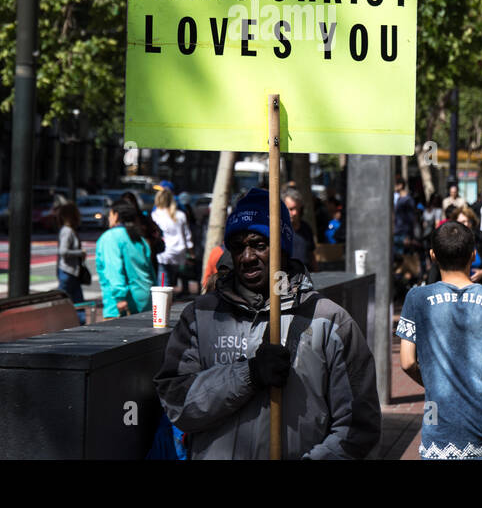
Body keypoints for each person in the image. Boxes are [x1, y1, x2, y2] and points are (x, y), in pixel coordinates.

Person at [154, 188, 381, 459]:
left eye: (259, 245)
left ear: (282, 248)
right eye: (237, 247)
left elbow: (358, 427)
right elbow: (177, 404)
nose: (247, 257)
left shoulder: (330, 321)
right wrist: (248, 374)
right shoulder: (200, 315)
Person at [397, 221, 482, 458]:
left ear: (432, 256)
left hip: (439, 422)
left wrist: (432, 382)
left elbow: (407, 362)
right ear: (473, 255)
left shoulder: (417, 298)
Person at [96, 199, 155, 319]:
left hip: (121, 305)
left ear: (116, 215)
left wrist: (120, 298)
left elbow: (114, 269)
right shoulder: (139, 239)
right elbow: (150, 270)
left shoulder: (110, 237)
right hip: (146, 299)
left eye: (110, 214)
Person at [55, 196, 87, 324]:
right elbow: (63, 251)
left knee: (77, 302)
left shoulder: (69, 230)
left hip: (72, 272)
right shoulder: (67, 231)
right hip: (68, 272)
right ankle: (60, 323)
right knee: (62, 301)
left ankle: (81, 323)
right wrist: (80, 253)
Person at [153, 185, 192, 290]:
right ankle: (182, 291)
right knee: (176, 278)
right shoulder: (180, 215)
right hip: (180, 253)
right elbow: (187, 236)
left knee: (163, 282)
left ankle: (164, 302)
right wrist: (191, 252)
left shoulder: (155, 215)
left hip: (164, 254)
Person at [284, 186, 316, 267]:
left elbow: (311, 255)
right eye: (290, 209)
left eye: (296, 209)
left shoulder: (306, 228)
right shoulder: (279, 230)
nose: (294, 213)